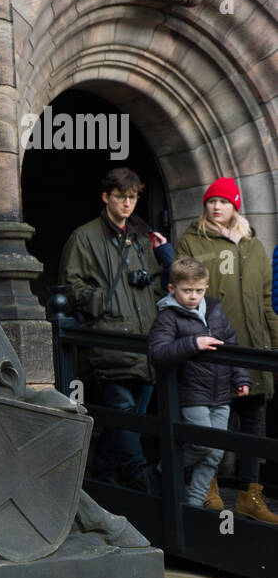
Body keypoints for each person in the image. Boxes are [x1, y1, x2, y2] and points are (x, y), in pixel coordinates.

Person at [59, 167, 174, 491]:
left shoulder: (140, 237)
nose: (127, 203)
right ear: (106, 197)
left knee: (129, 420)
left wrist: (163, 255)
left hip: (144, 339)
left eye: (133, 197)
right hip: (109, 340)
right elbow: (69, 287)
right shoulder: (85, 237)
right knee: (124, 412)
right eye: (121, 196)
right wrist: (103, 300)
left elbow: (158, 286)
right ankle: (143, 481)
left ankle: (103, 478)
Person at [175, 178, 278, 523]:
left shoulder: (254, 246)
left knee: (252, 423)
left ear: (236, 206)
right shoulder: (192, 240)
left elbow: (266, 302)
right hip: (214, 350)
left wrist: (274, 347)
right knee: (214, 424)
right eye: (211, 201)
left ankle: (251, 495)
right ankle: (209, 487)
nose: (217, 207)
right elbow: (184, 295)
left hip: (253, 348)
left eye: (224, 201)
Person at [147, 258, 250, 507]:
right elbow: (158, 353)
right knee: (203, 445)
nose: (193, 296)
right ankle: (162, 470)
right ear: (172, 289)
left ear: (206, 287)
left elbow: (231, 344)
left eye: (199, 290)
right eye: (187, 290)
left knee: (216, 451)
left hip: (221, 392)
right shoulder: (168, 316)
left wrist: (241, 377)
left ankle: (194, 502)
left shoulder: (214, 309)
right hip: (191, 392)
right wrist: (195, 343)